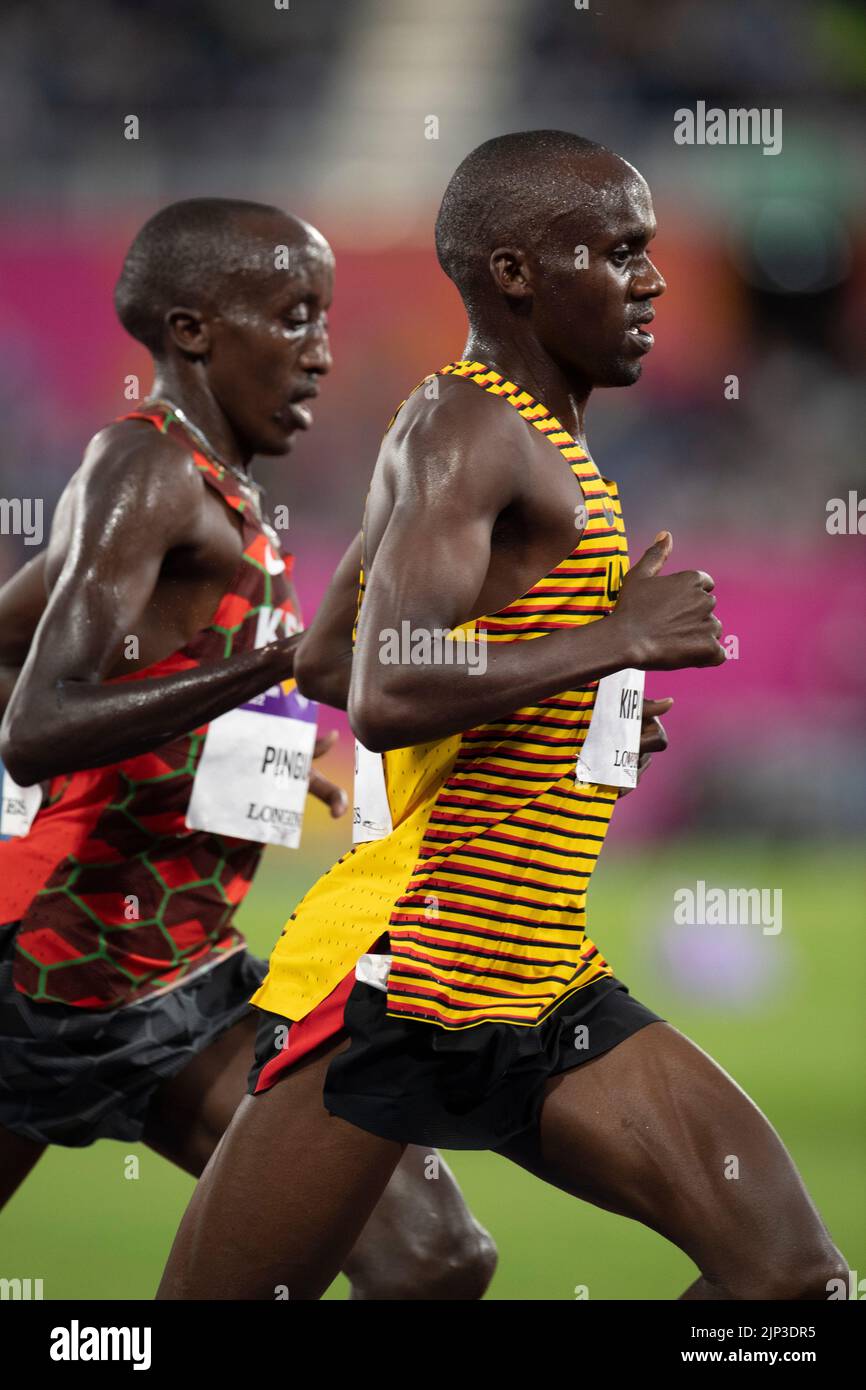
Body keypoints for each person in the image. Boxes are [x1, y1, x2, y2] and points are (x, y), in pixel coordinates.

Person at [157, 135, 847, 1301]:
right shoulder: (468, 431)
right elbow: (384, 691)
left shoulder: (502, 431)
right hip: (405, 973)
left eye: (650, 251)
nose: (654, 280)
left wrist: (573, 700)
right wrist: (612, 640)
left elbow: (328, 654)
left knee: (784, 1281)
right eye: (620, 251)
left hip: (532, 971)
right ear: (518, 270)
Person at [0, 197, 495, 1300]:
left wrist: (275, 758)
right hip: (47, 980)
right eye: (292, 318)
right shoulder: (145, 475)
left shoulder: (224, 493)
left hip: (183, 977)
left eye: (323, 318)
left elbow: (12, 638)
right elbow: (35, 724)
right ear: (192, 332)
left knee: (432, 1257)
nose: (321, 353)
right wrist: (274, 669)